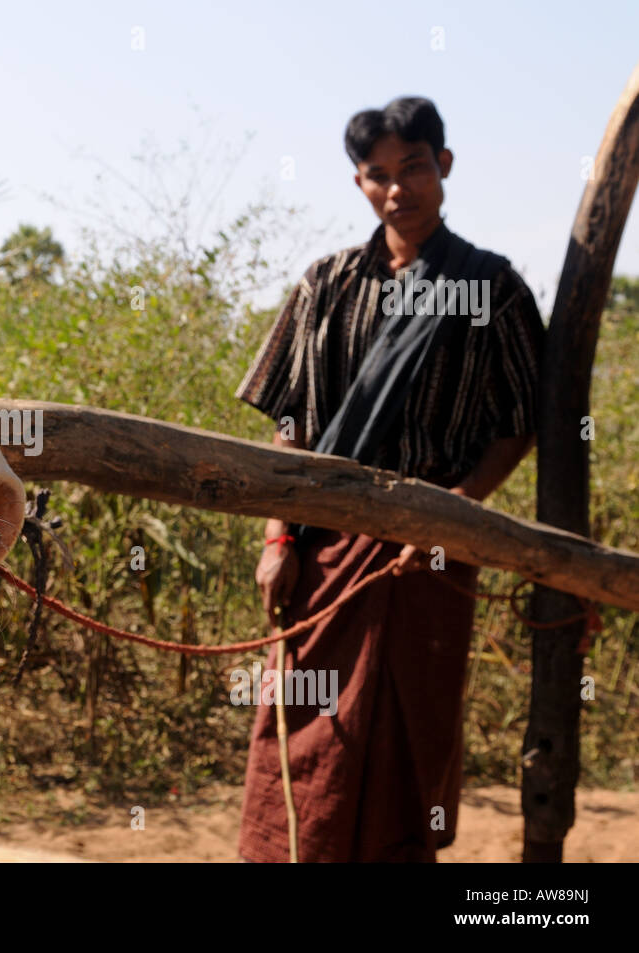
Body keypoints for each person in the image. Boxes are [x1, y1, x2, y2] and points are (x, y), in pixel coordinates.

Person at [234, 96, 545, 862]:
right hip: (322, 550)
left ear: (444, 165)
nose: (397, 187)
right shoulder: (326, 283)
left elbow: (520, 421)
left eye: (413, 166)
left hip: (430, 556)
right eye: (379, 174)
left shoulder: (492, 288)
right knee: (307, 727)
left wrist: (456, 517)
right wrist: (279, 538)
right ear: (360, 185)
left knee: (415, 724)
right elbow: (290, 426)